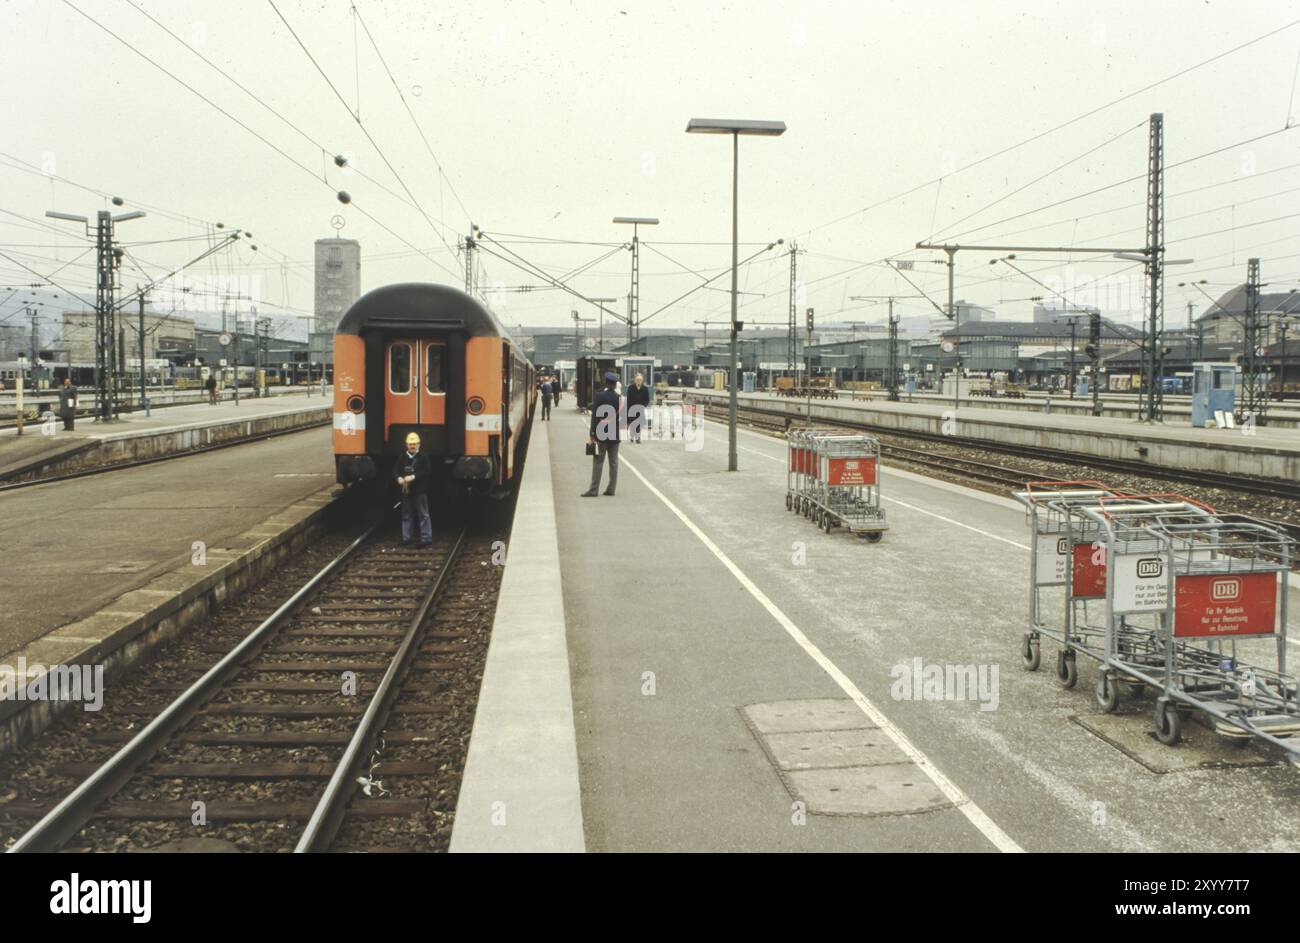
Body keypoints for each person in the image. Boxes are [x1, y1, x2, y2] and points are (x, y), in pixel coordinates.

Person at [582, 371, 622, 497]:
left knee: (598, 462)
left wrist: (592, 434)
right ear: (615, 385)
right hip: (614, 434)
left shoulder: (599, 396)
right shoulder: (619, 398)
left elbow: (594, 417)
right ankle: (611, 489)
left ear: (605, 382)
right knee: (614, 463)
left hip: (601, 434)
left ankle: (594, 490)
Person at [396, 431, 433, 546]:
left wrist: (413, 477)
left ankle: (426, 539)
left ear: (419, 445)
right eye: (410, 444)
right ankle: (407, 539)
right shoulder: (402, 457)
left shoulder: (423, 457)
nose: (412, 446)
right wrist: (399, 478)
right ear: (406, 445)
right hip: (406, 491)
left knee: (423, 514)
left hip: (420, 491)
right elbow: (395, 470)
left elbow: (427, 471)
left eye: (414, 444)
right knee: (406, 514)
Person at [626, 372, 650, 443]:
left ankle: (638, 437)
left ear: (642, 381)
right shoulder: (630, 387)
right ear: (635, 380)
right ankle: (632, 436)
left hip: (640, 408)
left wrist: (643, 405)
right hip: (632, 408)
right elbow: (628, 399)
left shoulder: (645, 388)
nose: (639, 381)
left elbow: (647, 399)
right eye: (637, 380)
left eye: (640, 380)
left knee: (639, 423)